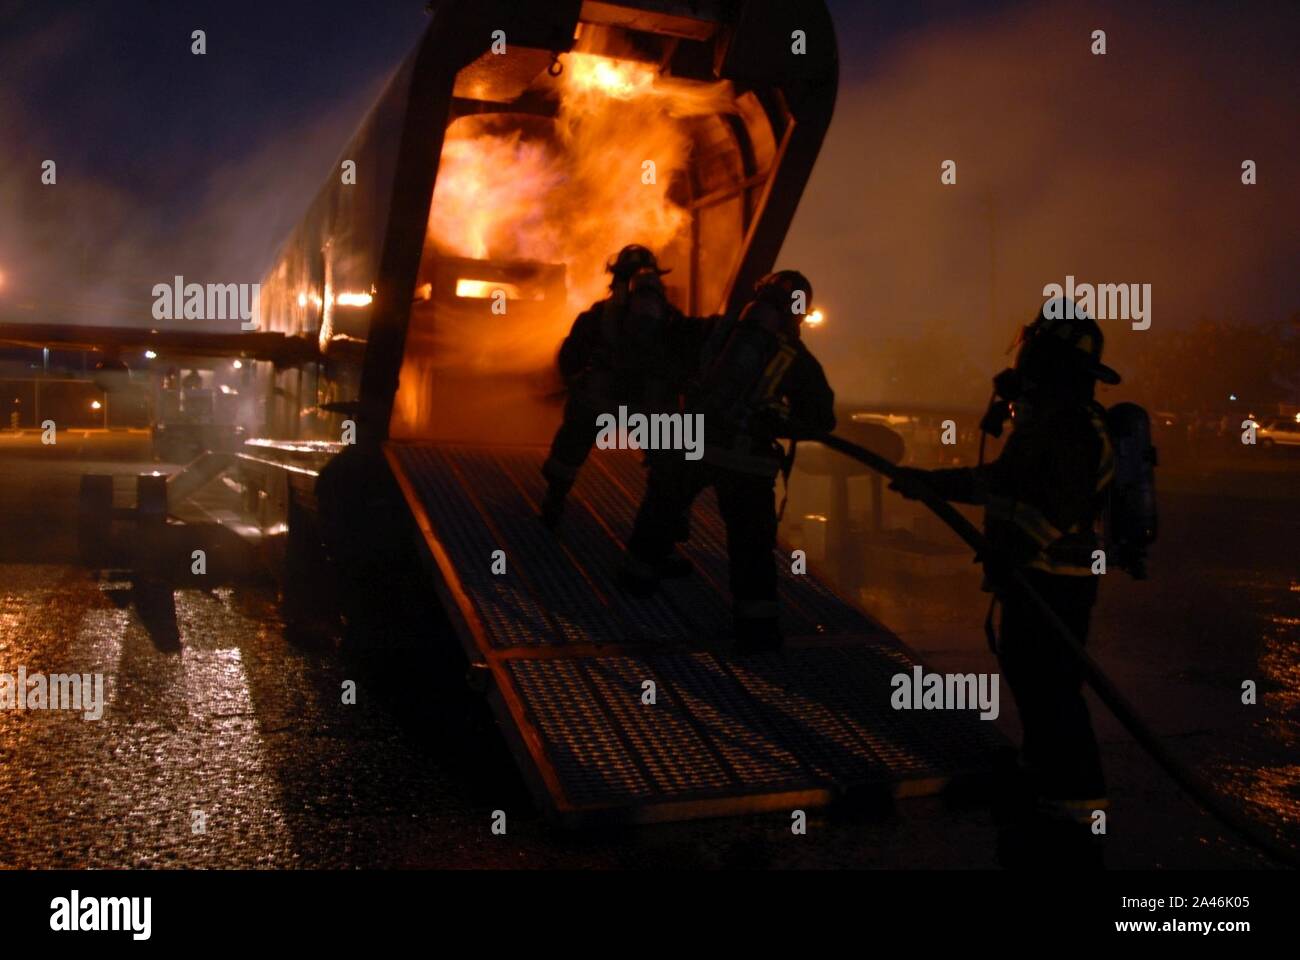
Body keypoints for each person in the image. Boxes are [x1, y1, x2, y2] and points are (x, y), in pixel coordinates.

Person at [890, 300, 1119, 868]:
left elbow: (1053, 509)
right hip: (1034, 577)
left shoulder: (1069, 426)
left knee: (1053, 686)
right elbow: (1002, 483)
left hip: (1053, 580)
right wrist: (932, 484)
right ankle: (1044, 778)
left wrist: (1011, 554)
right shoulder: (1051, 419)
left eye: (1034, 352)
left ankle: (1077, 807)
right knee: (1033, 678)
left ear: (1051, 359)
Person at [622, 270, 835, 653]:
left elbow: (665, 354)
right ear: (798, 313)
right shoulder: (797, 360)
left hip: (690, 445)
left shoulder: (715, 331)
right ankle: (757, 632)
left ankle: (636, 582)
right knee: (751, 545)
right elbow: (821, 421)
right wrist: (778, 421)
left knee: (660, 511)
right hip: (746, 461)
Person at [540, 245, 682, 527]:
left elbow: (570, 357)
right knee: (669, 464)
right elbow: (684, 361)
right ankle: (667, 523)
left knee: (571, 445)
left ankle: (554, 501)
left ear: (615, 278)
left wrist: (575, 382)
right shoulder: (671, 318)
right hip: (648, 407)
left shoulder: (596, 316)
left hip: (598, 400)